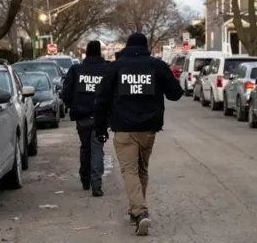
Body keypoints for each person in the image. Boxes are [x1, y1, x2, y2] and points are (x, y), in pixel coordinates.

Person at [93, 33, 183, 236]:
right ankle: (137, 211)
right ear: (146, 47)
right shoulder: (157, 66)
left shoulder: (116, 67)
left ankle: (140, 212)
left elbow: (101, 99)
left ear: (127, 46)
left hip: (124, 129)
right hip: (149, 129)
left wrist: (100, 129)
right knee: (142, 170)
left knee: (130, 171)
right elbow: (175, 94)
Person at [61, 40, 108, 197]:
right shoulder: (106, 69)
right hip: (101, 116)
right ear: (100, 52)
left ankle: (85, 177)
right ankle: (97, 183)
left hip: (82, 116)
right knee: (97, 148)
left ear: (86, 52)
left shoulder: (76, 69)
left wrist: (72, 105)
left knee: (85, 147)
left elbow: (66, 93)